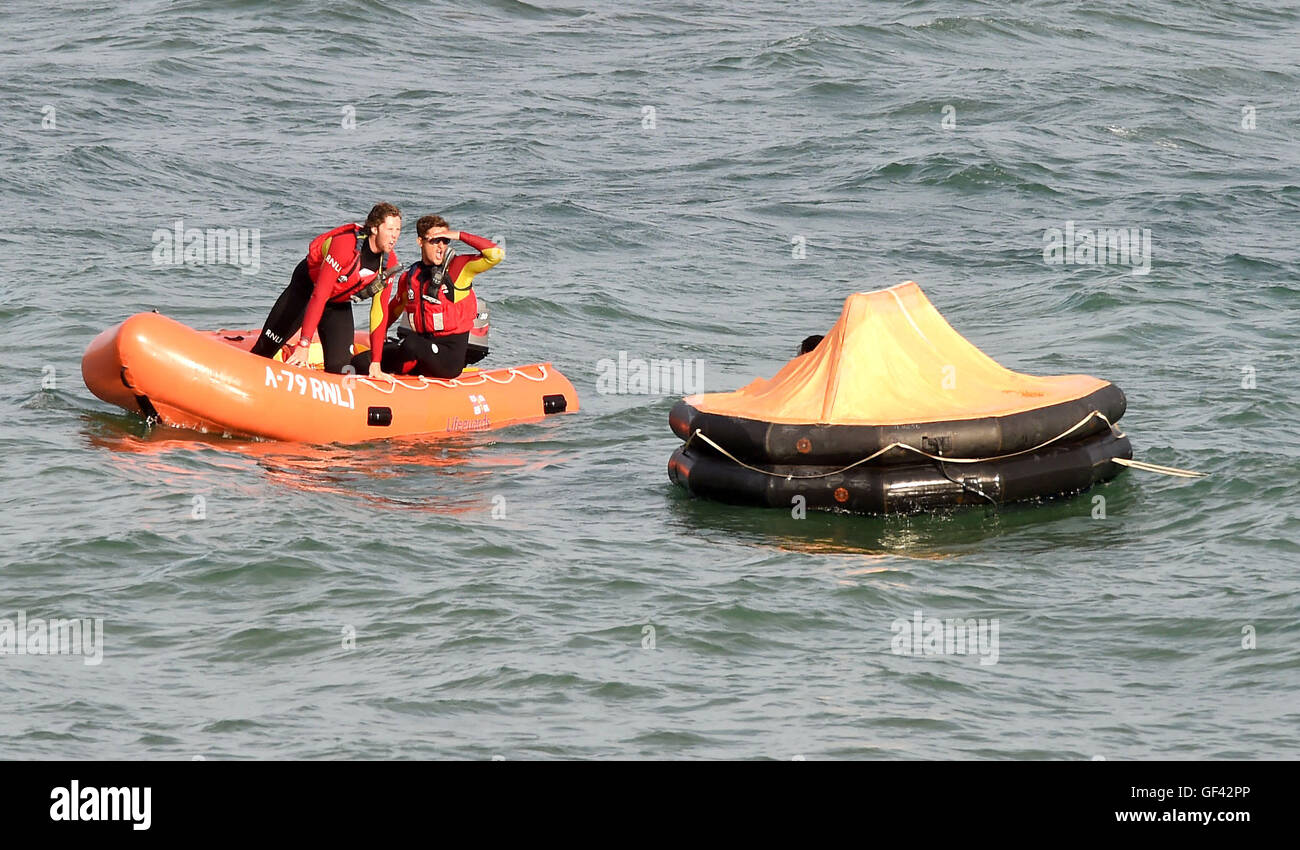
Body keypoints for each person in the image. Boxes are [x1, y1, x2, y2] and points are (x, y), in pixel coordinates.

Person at [250, 203, 402, 379]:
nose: (394, 236)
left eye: (398, 230)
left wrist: (376, 362)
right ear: (375, 228)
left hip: (337, 303)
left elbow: (379, 312)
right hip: (306, 291)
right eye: (390, 229)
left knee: (341, 369)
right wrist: (304, 344)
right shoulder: (344, 246)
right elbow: (319, 295)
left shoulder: (389, 263)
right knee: (265, 348)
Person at [364, 215, 502, 379]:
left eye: (445, 241)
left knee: (411, 343)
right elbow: (393, 310)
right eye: (435, 241)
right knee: (363, 360)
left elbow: (496, 254)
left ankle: (396, 378)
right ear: (420, 242)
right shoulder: (410, 277)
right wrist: (377, 343)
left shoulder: (458, 269)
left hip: (448, 358)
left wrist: (457, 235)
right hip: (422, 349)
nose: (441, 246)